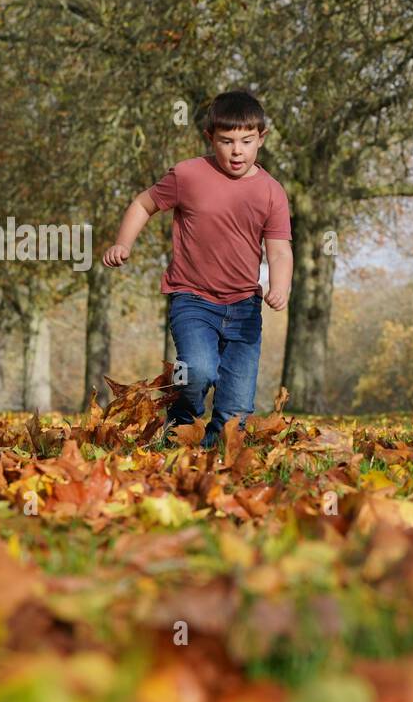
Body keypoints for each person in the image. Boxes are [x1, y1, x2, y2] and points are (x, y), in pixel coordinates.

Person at [101, 90, 293, 449]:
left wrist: (280, 286)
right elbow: (144, 204)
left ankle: (212, 457)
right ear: (210, 138)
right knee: (199, 371)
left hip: (244, 308)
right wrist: (123, 243)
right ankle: (180, 419)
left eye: (246, 141)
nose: (237, 150)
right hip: (192, 299)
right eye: (227, 141)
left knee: (235, 411)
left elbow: (280, 250)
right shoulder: (188, 175)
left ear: (261, 139)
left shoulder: (271, 192)